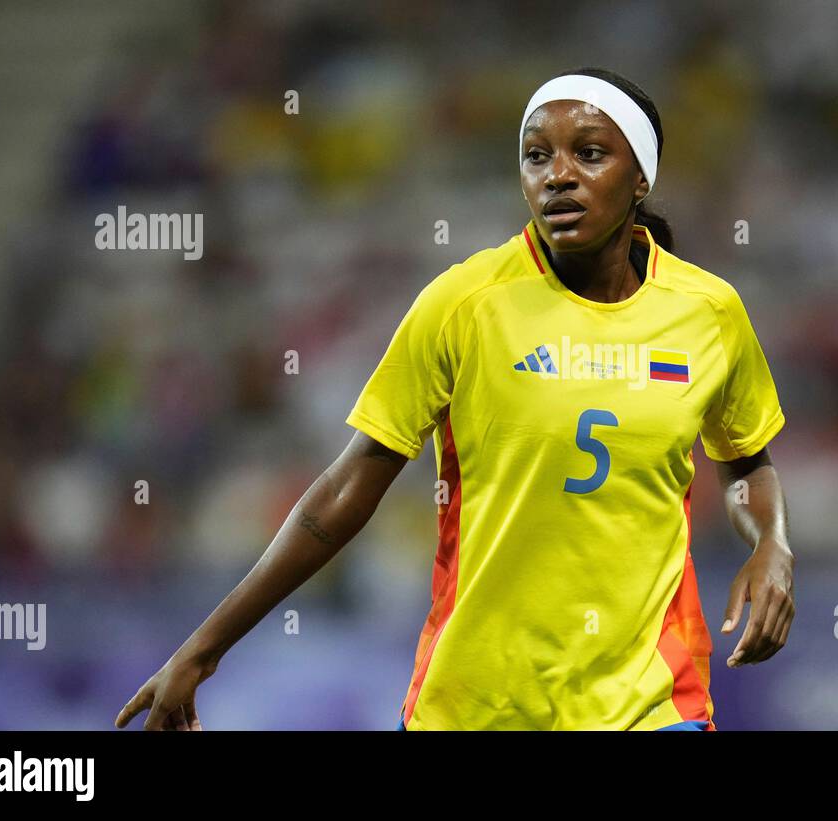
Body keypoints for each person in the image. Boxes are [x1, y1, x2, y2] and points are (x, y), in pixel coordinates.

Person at [115, 67, 794, 732]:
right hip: (476, 706)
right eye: (536, 155)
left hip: (651, 701)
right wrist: (203, 648)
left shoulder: (708, 312)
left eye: (589, 153)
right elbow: (342, 494)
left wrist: (771, 542)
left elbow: (745, 461)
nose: (557, 174)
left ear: (640, 176)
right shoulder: (463, 305)